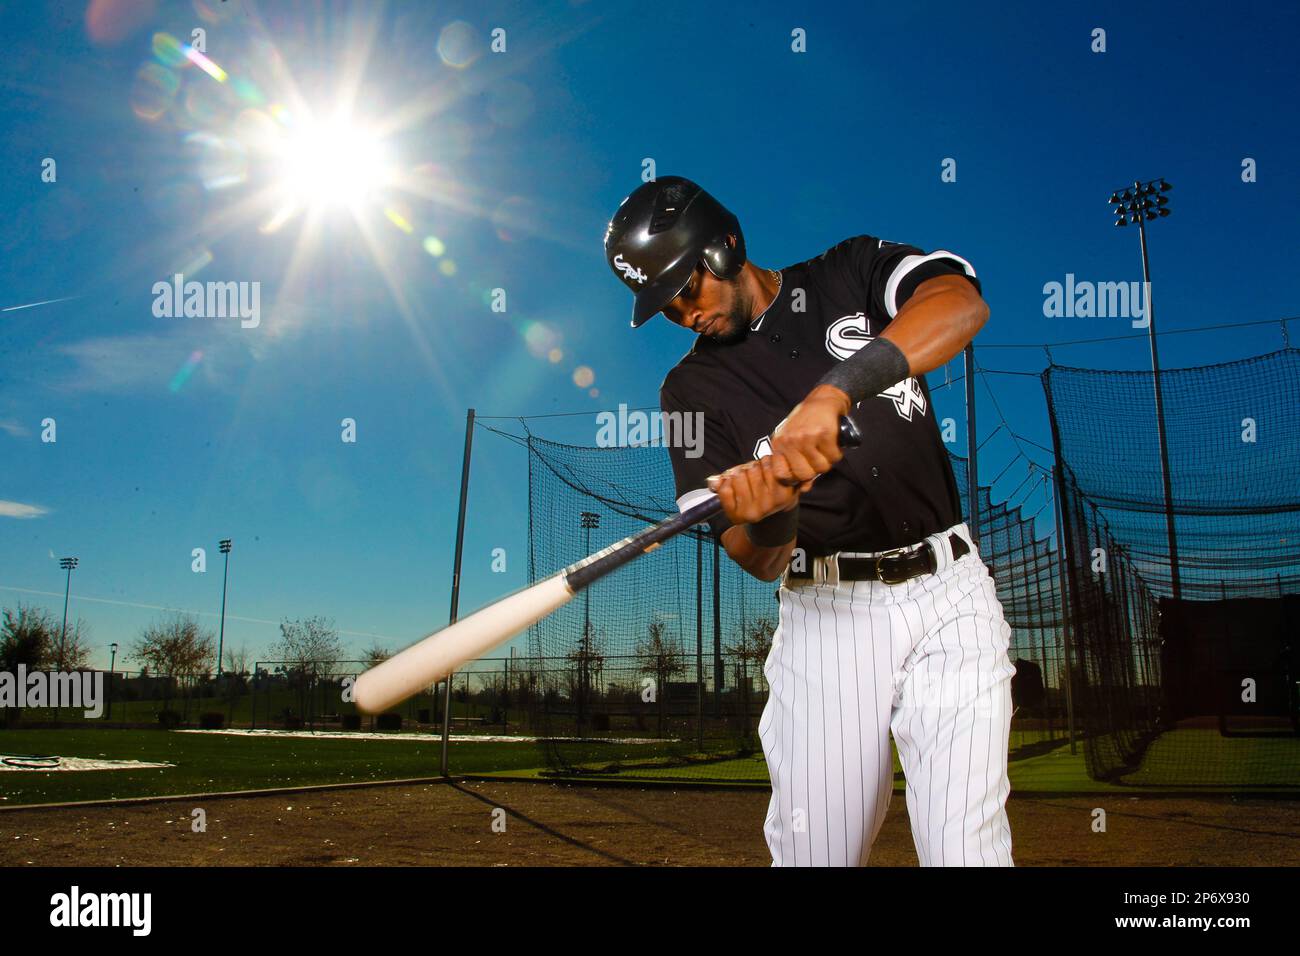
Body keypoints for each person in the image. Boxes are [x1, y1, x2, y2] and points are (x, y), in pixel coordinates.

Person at [603, 176, 1015, 866]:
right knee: (818, 852)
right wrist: (775, 510)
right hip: (828, 615)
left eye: (687, 287)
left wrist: (836, 391)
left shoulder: (847, 273)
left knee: (966, 851)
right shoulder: (688, 392)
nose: (682, 313)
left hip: (951, 594)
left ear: (726, 245)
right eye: (663, 305)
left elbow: (960, 304)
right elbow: (757, 556)